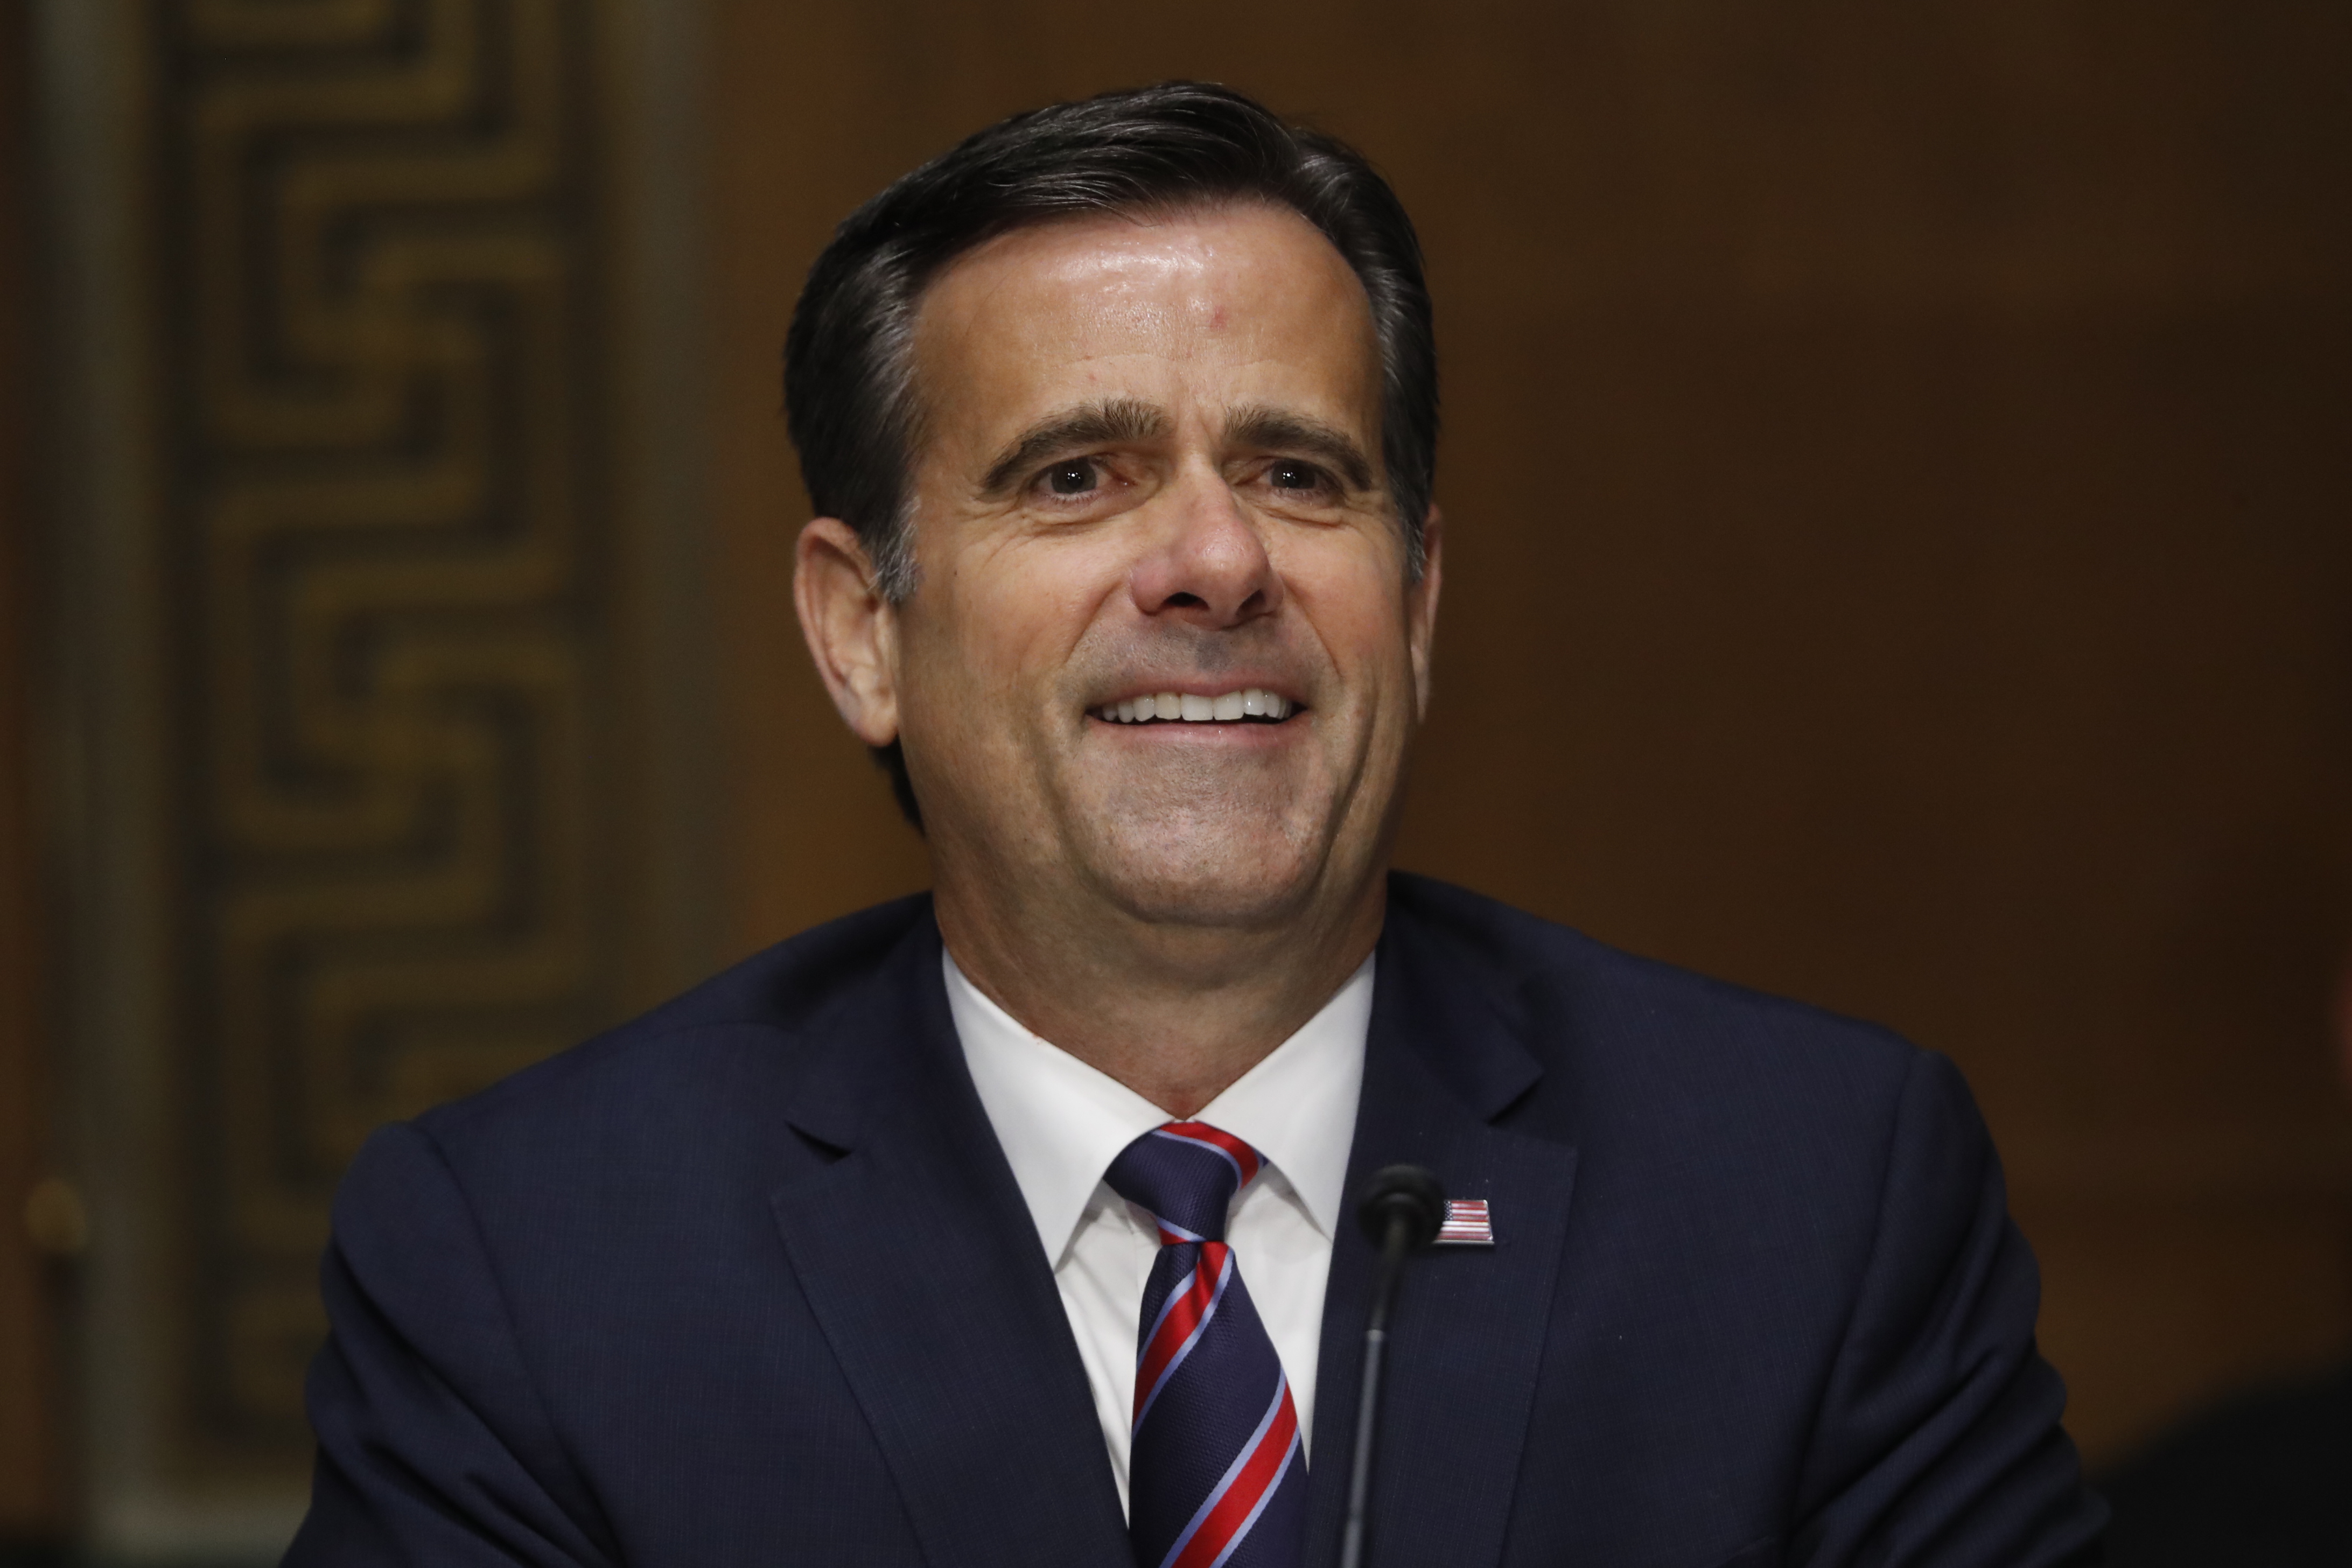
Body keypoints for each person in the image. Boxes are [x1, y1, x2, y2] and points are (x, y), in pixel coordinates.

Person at [285, 83, 2106, 1567]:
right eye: (1078, 477)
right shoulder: (538, 1264)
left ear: (1418, 592)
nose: (1218, 563)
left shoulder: (1811, 1193)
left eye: (1298, 475)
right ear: (861, 632)